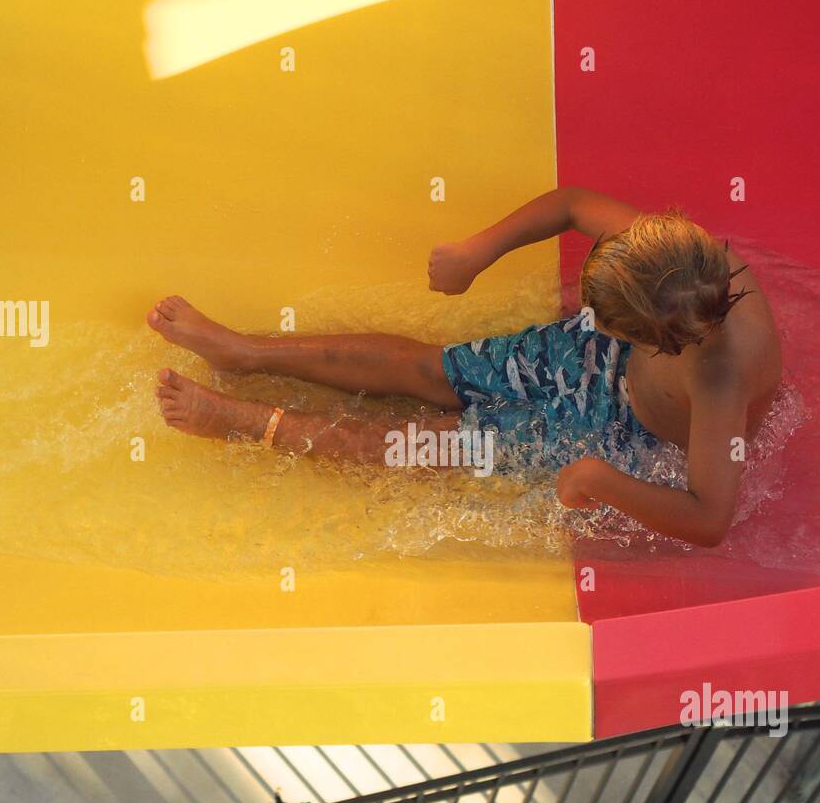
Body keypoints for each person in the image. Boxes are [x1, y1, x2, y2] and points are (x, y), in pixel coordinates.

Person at [149, 186, 780, 547]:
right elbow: (573, 205)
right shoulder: (674, 255)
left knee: (428, 444)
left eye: (604, 316)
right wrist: (479, 251)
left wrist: (602, 478)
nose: (587, 316)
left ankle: (238, 418)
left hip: (614, 432)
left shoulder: (718, 379)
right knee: (429, 372)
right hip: (599, 360)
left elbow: (709, 517)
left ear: (657, 340)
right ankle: (244, 351)